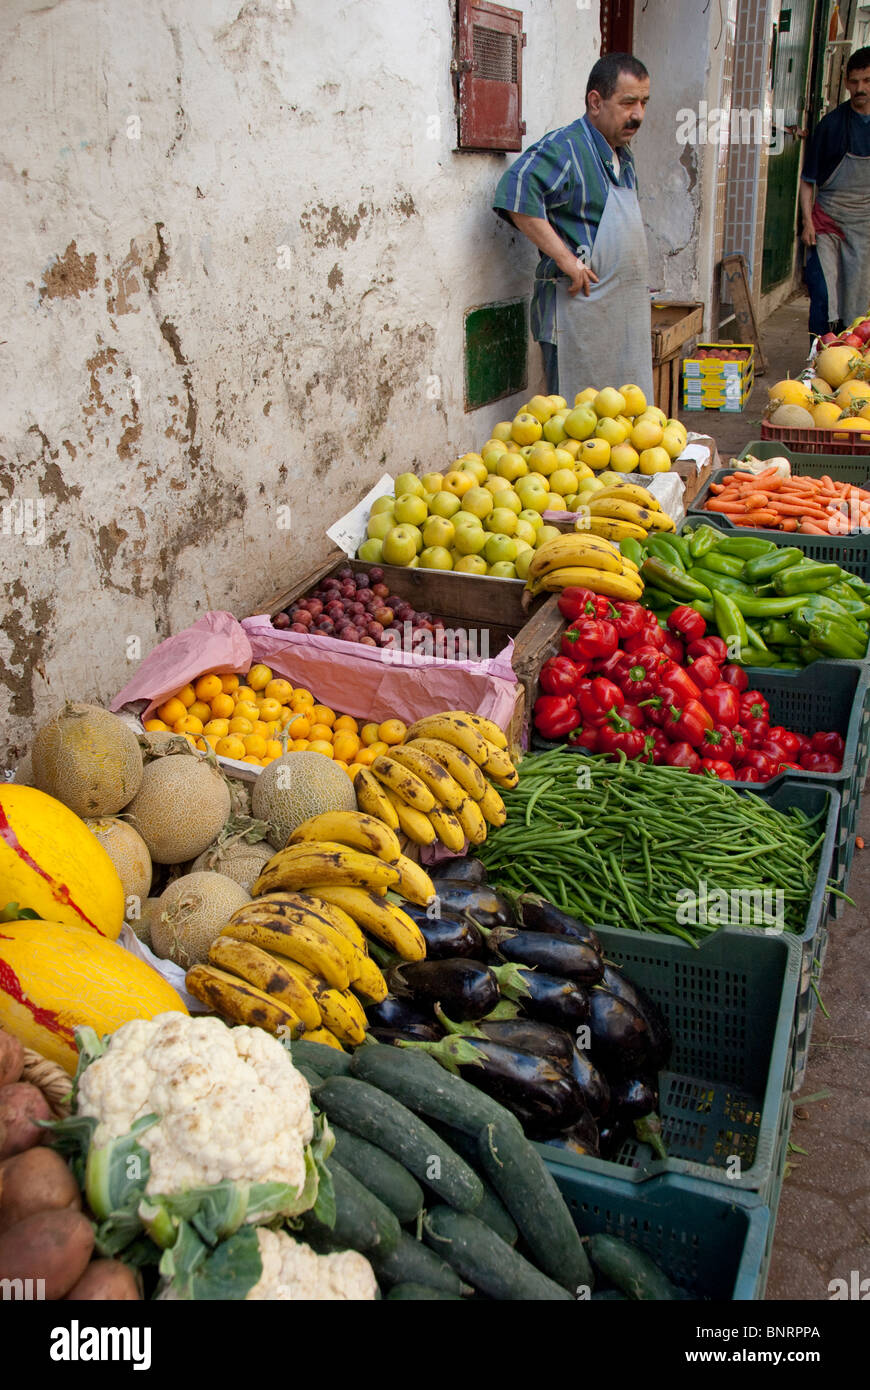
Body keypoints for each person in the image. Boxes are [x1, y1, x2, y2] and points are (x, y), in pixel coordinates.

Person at [493, 52, 651, 400]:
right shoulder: (567, 148)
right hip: (572, 318)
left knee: (617, 430)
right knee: (572, 434)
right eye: (627, 103)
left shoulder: (623, 158)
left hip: (612, 315)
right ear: (595, 101)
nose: (637, 114)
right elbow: (515, 191)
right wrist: (566, 260)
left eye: (643, 102)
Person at [801, 47, 870, 338]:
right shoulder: (830, 126)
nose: (860, 89)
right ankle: (819, 358)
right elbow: (807, 182)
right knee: (824, 295)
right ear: (845, 83)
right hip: (827, 223)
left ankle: (853, 361)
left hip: (865, 225)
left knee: (858, 303)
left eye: (867, 81)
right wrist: (807, 222)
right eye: (854, 82)